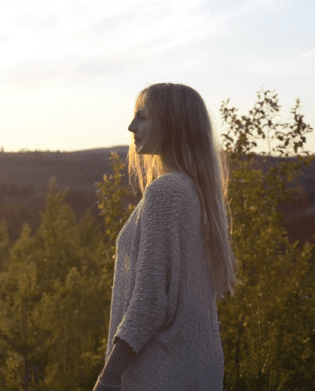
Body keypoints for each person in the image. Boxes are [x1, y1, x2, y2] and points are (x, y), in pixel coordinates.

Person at [93, 83, 239, 391]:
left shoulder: (166, 192)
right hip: (193, 372)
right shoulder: (194, 192)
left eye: (143, 117)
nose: (131, 126)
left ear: (173, 124)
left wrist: (107, 379)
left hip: (159, 373)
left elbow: (150, 302)